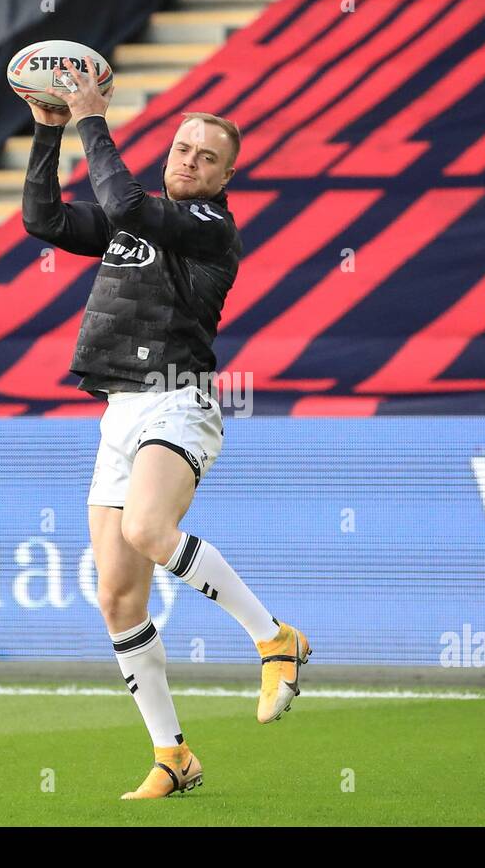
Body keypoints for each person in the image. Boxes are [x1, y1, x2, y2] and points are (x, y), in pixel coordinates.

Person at [21, 56, 311, 800]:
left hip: (179, 400)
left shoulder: (209, 225)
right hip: (119, 411)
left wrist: (90, 115)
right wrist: (49, 132)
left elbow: (126, 204)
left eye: (206, 158)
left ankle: (273, 638)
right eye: (183, 148)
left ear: (222, 179)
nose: (190, 161)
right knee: (117, 598)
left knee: (150, 531)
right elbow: (44, 220)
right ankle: (172, 755)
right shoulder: (136, 218)